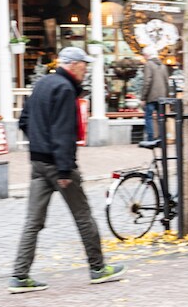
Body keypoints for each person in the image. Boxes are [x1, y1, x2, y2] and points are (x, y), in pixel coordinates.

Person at [9, 46, 125, 293]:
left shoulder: (42, 84)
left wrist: (38, 143)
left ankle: (20, 275)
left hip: (38, 162)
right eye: (83, 65)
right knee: (83, 216)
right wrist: (64, 169)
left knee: (33, 221)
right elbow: (64, 132)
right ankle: (98, 268)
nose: (85, 70)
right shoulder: (63, 89)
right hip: (58, 165)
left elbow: (24, 121)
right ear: (72, 65)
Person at [139, 50, 169, 141]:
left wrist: (143, 97)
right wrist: (166, 96)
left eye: (144, 55)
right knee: (161, 117)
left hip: (151, 97)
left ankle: (151, 139)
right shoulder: (163, 66)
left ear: (147, 55)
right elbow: (167, 82)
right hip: (162, 97)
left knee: (148, 116)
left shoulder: (148, 65)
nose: (144, 57)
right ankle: (161, 139)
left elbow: (147, 82)